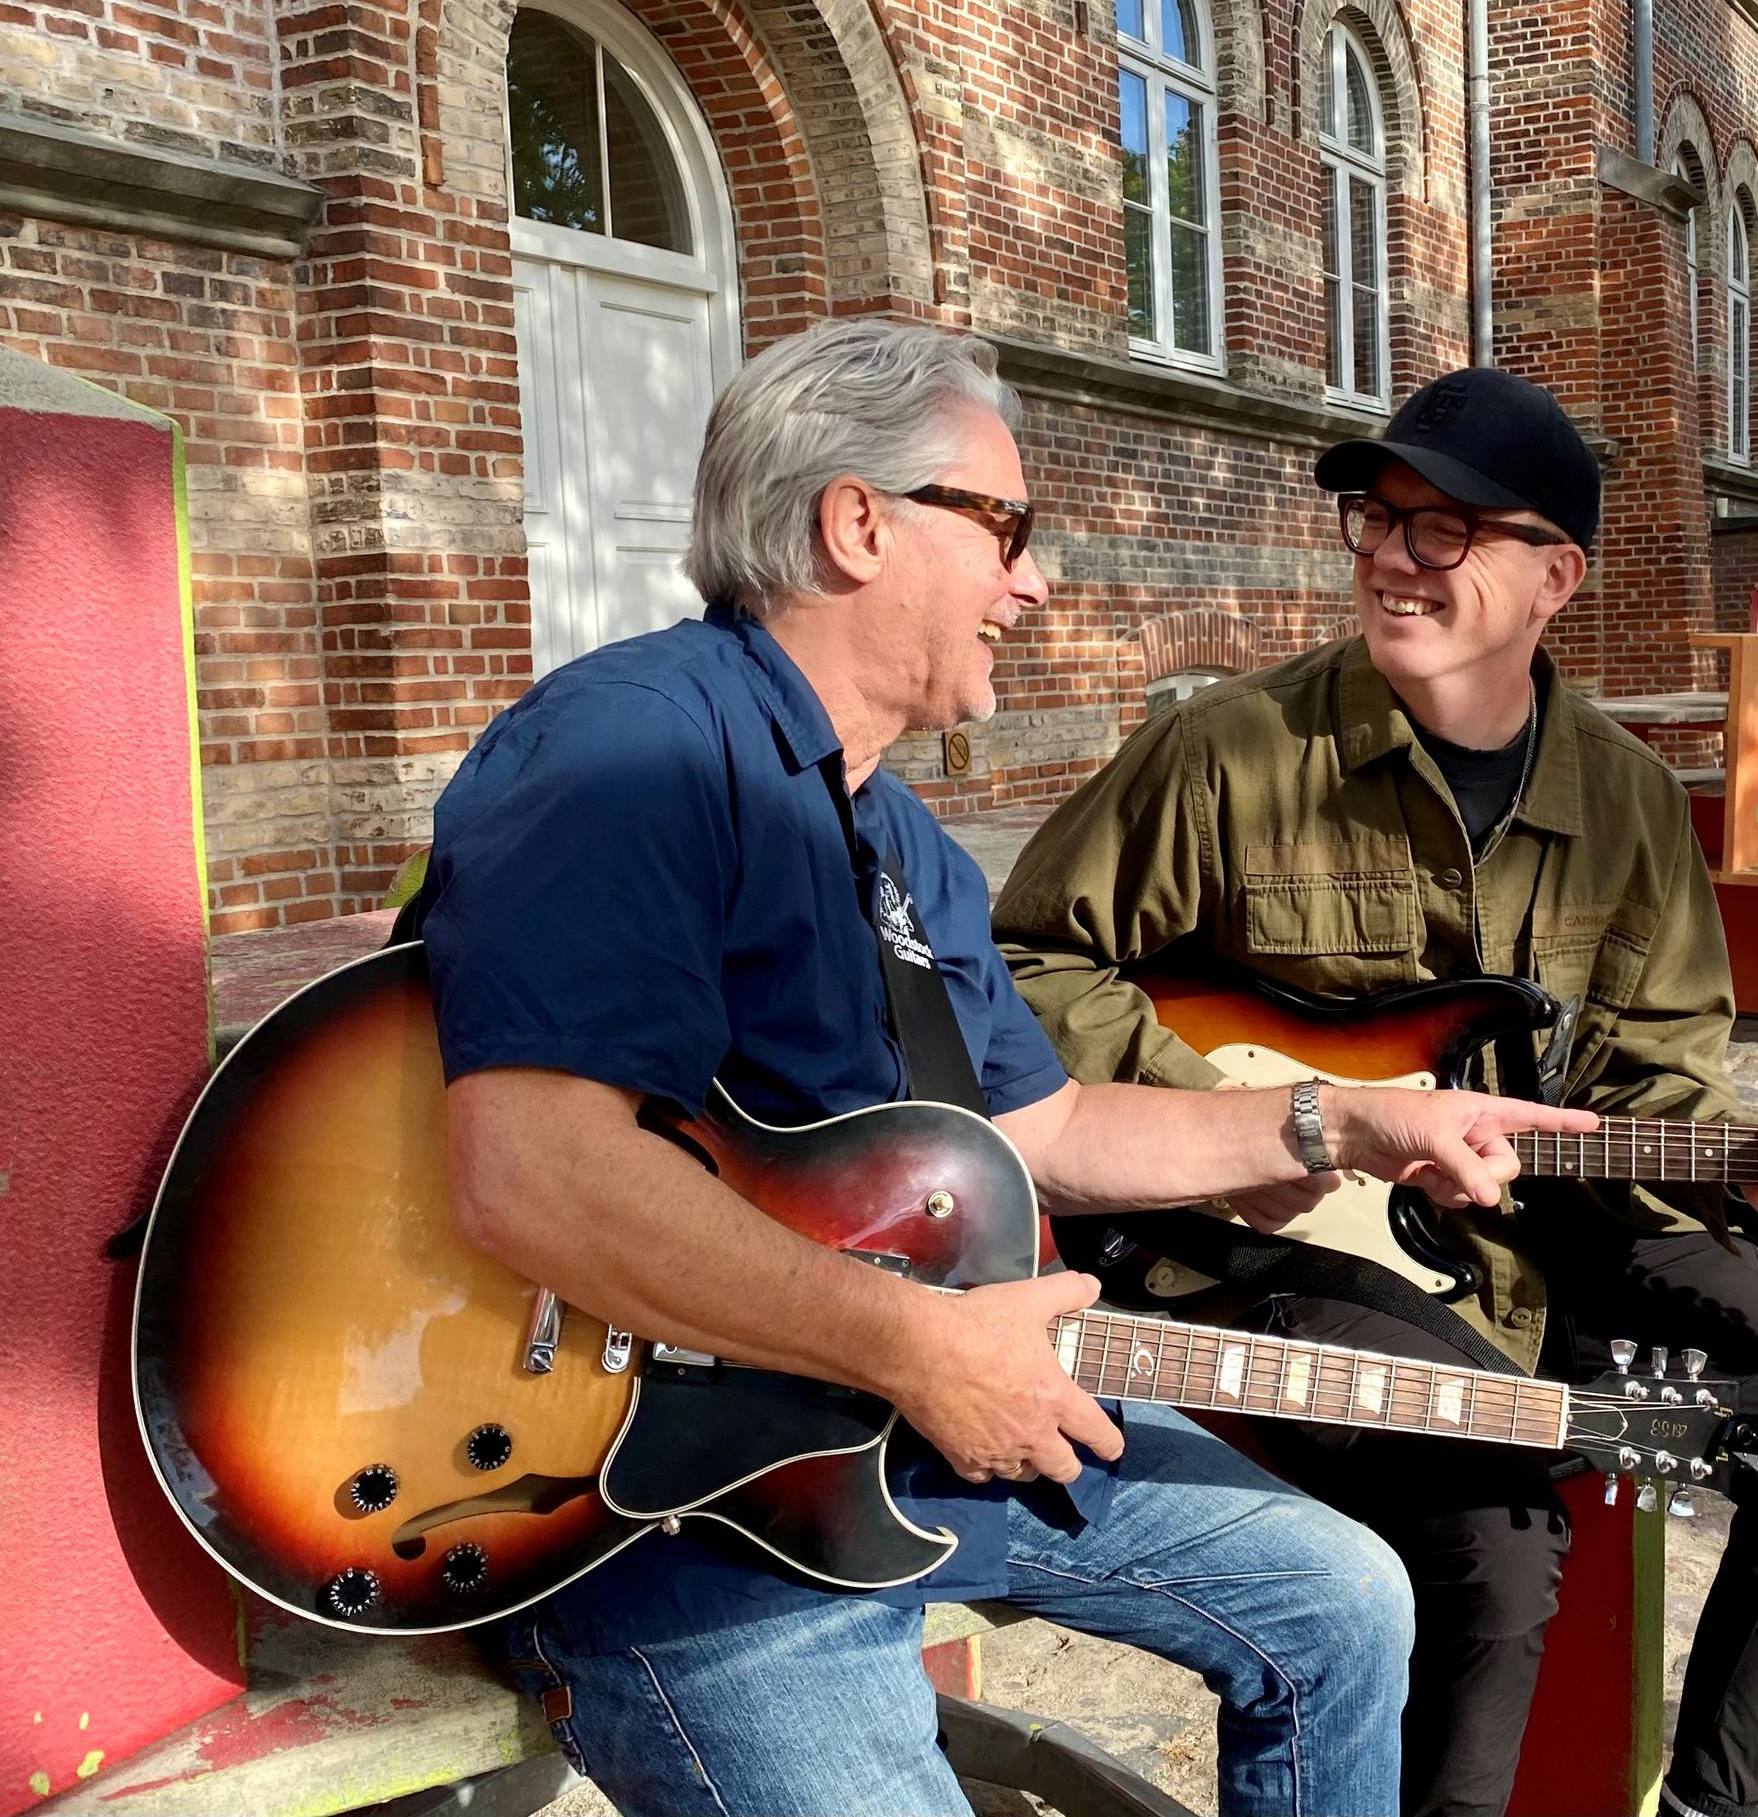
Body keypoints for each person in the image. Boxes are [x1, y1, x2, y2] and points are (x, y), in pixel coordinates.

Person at [406, 321, 1599, 1817]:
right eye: (1007, 532)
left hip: (887, 1431)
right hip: (652, 1506)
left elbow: (1048, 1122)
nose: (1034, 584)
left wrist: (1338, 1119)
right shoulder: (633, 750)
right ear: (856, 524)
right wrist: (913, 1346)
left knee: (1341, 1596)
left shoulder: (896, 837)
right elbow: (532, 1171)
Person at [994, 366, 1758, 1817]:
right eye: (1379, 520)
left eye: (1443, 532)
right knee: (1497, 1533)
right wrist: (1243, 1120)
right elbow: (1029, 960)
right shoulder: (1233, 751)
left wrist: (1731, 1165)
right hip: (1290, 1222)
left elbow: (1654, 1079)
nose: (1389, 556)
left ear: (1557, 573)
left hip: (1553, 1202)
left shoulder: (1625, 797)